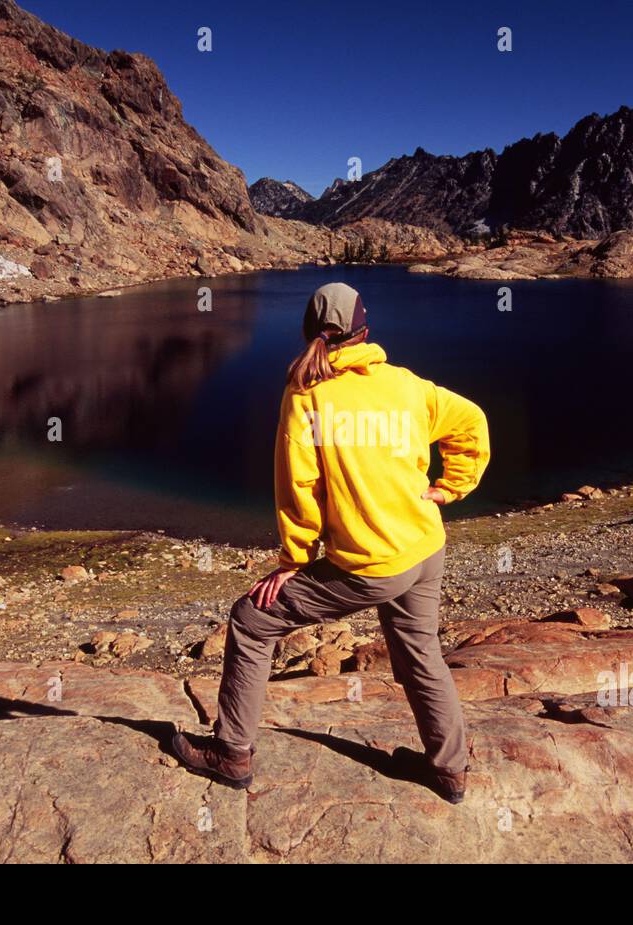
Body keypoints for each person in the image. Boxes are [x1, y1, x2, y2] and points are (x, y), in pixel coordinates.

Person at [172, 282, 490, 802]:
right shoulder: (406, 385)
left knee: (252, 621)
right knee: (421, 653)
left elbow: (298, 487)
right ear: (366, 329)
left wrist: (293, 561)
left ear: (308, 330)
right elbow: (471, 421)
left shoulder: (307, 397)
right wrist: (451, 486)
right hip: (424, 546)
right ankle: (449, 770)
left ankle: (231, 753)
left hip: (371, 564)